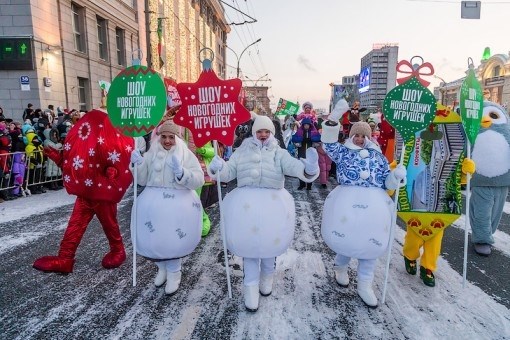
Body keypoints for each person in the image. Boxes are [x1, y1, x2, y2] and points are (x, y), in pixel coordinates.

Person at [207, 114, 319, 312]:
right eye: (259, 131)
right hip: (245, 208)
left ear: (272, 133)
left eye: (267, 131)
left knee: (269, 245)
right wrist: (218, 168)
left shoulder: (279, 152)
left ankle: (267, 276)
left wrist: (308, 169)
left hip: (272, 207)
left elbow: (293, 166)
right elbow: (228, 172)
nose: (263, 134)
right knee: (249, 248)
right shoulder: (241, 152)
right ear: (253, 132)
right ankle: (250, 286)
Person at [320, 101, 407, 308]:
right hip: (347, 203)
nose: (359, 139)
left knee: (370, 243)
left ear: (369, 137)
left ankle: (365, 284)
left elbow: (386, 180)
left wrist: (396, 177)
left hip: (374, 206)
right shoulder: (343, 152)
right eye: (356, 135)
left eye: (363, 136)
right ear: (351, 136)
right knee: (349, 238)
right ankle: (340, 267)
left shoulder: (378, 156)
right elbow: (329, 145)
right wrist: (333, 120)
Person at [33, 109, 133, 274]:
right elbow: (73, 167)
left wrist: (112, 173)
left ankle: (118, 251)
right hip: (86, 195)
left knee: (110, 225)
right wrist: (57, 157)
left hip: (102, 196)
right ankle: (65, 258)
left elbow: (117, 165)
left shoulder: (109, 145)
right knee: (75, 225)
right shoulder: (83, 146)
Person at [130, 120, 204, 295]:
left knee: (172, 241)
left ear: (177, 138)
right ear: (159, 137)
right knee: (156, 240)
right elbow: (141, 180)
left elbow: (199, 179)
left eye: (171, 137)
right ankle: (161, 268)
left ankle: (173, 273)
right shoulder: (151, 153)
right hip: (153, 208)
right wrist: (138, 164)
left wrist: (182, 173)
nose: (167, 141)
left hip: (176, 208)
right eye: (164, 136)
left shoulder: (185, 155)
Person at [469, 101, 510, 256]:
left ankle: (486, 233)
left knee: (496, 212)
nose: (486, 119)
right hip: (480, 180)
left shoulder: (507, 131)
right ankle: (482, 239)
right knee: (482, 210)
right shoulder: (472, 133)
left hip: (503, 180)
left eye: (493, 115)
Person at [292, 118, 321, 190]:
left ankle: (309, 184)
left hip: (310, 154)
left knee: (310, 168)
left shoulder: (313, 131)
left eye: (307, 125)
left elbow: (319, 138)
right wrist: (301, 139)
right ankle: (302, 184)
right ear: (303, 125)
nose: (306, 126)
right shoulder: (299, 131)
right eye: (305, 125)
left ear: (310, 125)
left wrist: (312, 139)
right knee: (301, 167)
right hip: (301, 152)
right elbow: (294, 138)